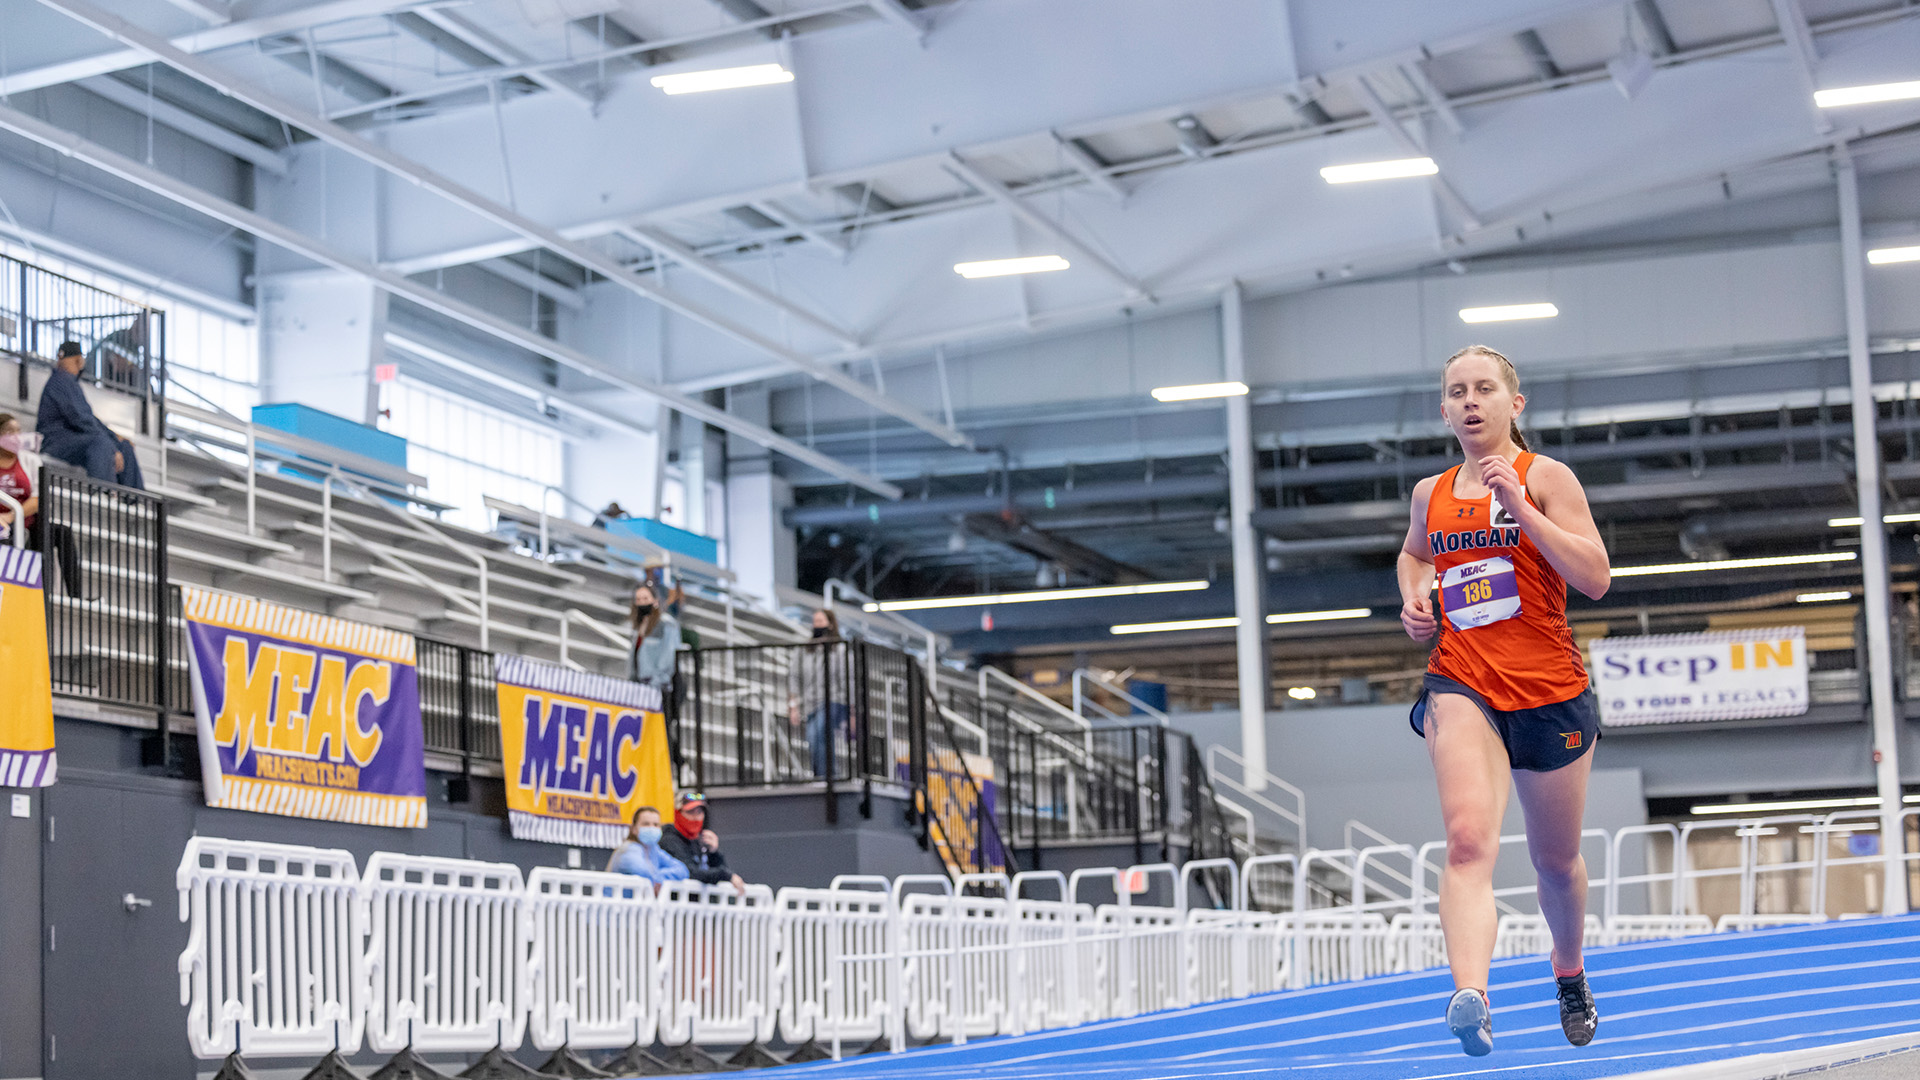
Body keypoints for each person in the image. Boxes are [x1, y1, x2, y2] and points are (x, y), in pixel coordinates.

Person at [1396, 345, 1610, 1057]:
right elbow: (1416, 554)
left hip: (1550, 689)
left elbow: (1596, 576)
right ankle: (1473, 997)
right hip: (1463, 681)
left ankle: (1569, 970)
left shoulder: (1546, 476)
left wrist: (1522, 509)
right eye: (1457, 391)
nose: (1470, 401)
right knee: (1466, 842)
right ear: (1444, 409)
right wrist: (1415, 597)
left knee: (1556, 861)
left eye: (1484, 388)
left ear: (1513, 404)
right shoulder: (1430, 493)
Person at [36, 341, 145, 490]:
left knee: (125, 446)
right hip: (55, 441)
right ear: (79, 360)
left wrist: (114, 437)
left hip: (75, 438)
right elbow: (81, 419)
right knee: (101, 443)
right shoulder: (61, 380)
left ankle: (135, 499)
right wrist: (111, 443)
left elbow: (89, 418)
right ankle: (104, 495)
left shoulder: (69, 382)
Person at [0, 414, 84, 598]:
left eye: (18, 431)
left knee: (62, 533)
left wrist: (12, 516)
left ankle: (75, 596)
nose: (16, 436)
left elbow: (38, 498)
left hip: (25, 522)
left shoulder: (30, 460)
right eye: (9, 432)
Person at [792, 609, 850, 779]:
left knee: (818, 733)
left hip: (834, 701)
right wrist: (793, 706)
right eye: (815, 622)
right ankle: (826, 776)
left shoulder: (840, 650)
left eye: (820, 621)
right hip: (811, 703)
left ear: (830, 624)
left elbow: (847, 679)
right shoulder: (805, 650)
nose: (817, 625)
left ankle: (826, 777)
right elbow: (794, 676)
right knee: (814, 740)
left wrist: (851, 709)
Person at [659, 792, 745, 895]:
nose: (696, 817)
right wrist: (726, 875)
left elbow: (716, 872)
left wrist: (713, 852)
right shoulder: (669, 840)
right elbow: (690, 872)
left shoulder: (698, 840)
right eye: (690, 812)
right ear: (678, 813)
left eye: (699, 812)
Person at [606, 806, 688, 889]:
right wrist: (658, 878)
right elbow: (642, 871)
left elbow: (682, 870)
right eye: (646, 824)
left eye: (656, 825)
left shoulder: (654, 850)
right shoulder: (627, 849)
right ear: (633, 829)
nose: (651, 828)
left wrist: (659, 878)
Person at [627, 581, 682, 688]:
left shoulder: (666, 623)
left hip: (657, 685)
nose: (642, 603)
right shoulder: (637, 627)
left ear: (655, 601)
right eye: (638, 600)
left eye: (645, 599)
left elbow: (669, 656)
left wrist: (658, 681)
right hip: (639, 684)